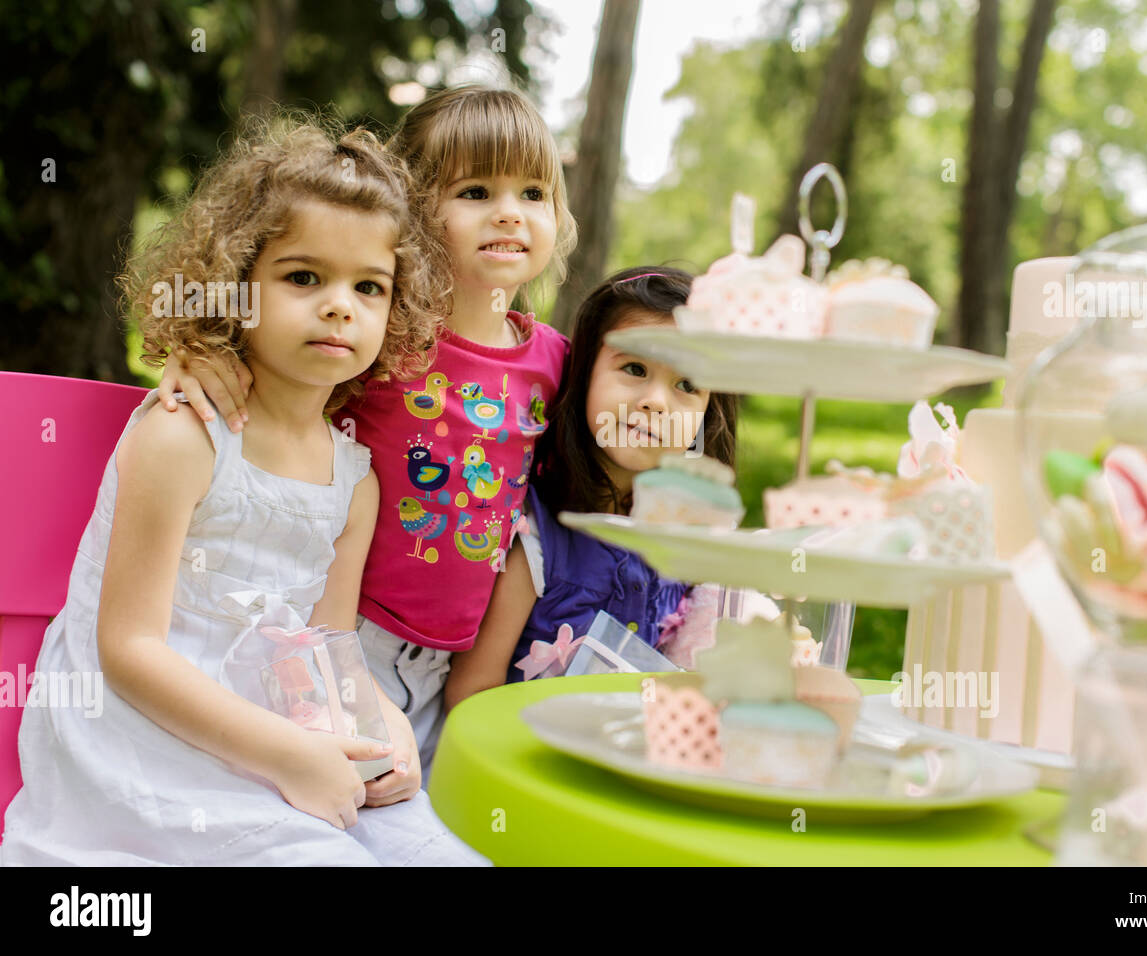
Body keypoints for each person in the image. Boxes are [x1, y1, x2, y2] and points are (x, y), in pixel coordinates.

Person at [1, 118, 485, 865]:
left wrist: (384, 722)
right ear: (236, 285)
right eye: (302, 277)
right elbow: (129, 649)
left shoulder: (354, 480)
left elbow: (330, 651)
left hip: (281, 725)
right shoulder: (186, 433)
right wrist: (289, 757)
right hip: (146, 735)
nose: (338, 305)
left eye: (369, 287)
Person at [154, 86, 575, 775]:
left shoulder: (553, 361)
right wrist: (197, 356)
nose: (508, 213)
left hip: (455, 666)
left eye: (534, 193)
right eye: (475, 191)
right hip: (347, 641)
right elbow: (274, 356)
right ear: (414, 214)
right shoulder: (383, 336)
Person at [442, 267, 739, 707]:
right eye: (635, 368)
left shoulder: (689, 536)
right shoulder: (536, 539)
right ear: (585, 375)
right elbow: (471, 695)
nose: (655, 402)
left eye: (687, 384)